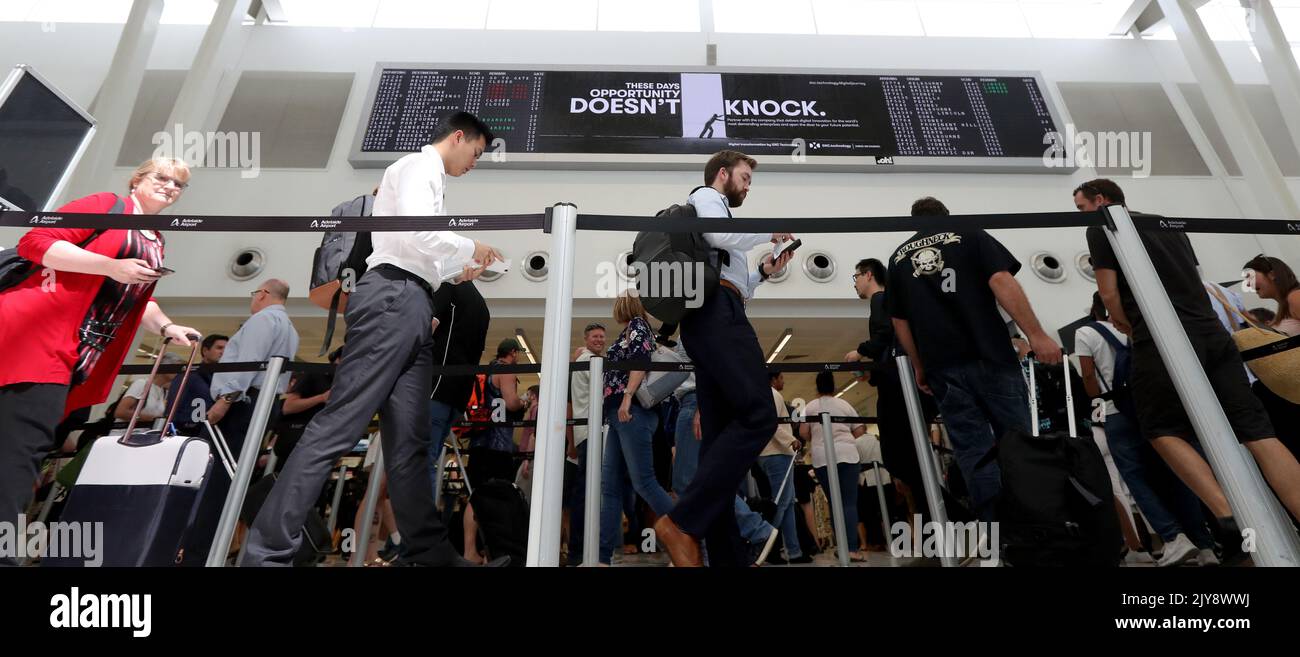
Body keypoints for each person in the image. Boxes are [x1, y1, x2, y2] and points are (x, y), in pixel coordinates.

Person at [242, 112, 505, 568]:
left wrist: (461, 269)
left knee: (409, 441)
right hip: (392, 299)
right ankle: (264, 554)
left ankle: (429, 553)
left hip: (411, 299)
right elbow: (420, 233)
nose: (476, 162)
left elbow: (412, 249)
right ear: (458, 137)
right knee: (338, 426)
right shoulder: (419, 167)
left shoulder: (424, 177)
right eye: (477, 153)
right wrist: (470, 245)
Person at [1078, 178, 1300, 552]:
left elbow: (1109, 292)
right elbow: (1194, 279)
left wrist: (1130, 327)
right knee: (1258, 431)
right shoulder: (1165, 223)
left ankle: (1229, 512)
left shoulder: (1103, 226)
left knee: (1160, 427)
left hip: (1163, 337)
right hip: (1211, 332)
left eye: (1082, 207)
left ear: (1100, 200)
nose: (1080, 214)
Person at [0, 158, 199, 564]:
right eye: (161, 177)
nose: (169, 187)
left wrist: (165, 327)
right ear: (138, 178)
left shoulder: (155, 238)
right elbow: (36, 243)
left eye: (178, 184)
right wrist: (111, 266)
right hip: (37, 339)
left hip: (74, 355)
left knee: (20, 447)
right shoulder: (108, 205)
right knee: (23, 451)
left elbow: (138, 296)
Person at [654, 150, 794, 568]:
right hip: (717, 318)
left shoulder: (724, 225)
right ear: (722, 174)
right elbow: (717, 235)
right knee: (759, 415)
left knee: (717, 443)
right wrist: (769, 230)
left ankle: (727, 556)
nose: (748, 186)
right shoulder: (707, 198)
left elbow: (735, 282)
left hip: (714, 312)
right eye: (745, 177)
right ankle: (680, 522)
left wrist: (764, 272)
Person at [887, 196, 1061, 522]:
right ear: (946, 215)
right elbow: (1000, 280)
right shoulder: (969, 233)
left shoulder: (898, 258)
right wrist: (1035, 334)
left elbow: (900, 322)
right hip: (990, 355)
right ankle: (1037, 526)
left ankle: (996, 532)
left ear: (914, 222)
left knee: (972, 450)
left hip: (943, 368)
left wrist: (920, 366)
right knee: (1018, 441)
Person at [1075, 293, 1215, 567]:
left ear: (1093, 309)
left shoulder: (1085, 332)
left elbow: (1088, 376)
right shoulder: (1132, 326)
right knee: (1175, 474)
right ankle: (1205, 544)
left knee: (1136, 479)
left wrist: (1097, 403)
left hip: (1116, 411)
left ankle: (1174, 537)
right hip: (1151, 406)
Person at [181, 279, 298, 565]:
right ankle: (210, 550)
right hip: (263, 404)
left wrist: (224, 401)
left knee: (215, 482)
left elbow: (247, 362)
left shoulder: (262, 320)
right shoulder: (290, 328)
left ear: (263, 294)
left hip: (241, 405)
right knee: (230, 481)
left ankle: (196, 554)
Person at [844, 256, 937, 525]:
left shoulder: (880, 300)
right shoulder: (889, 301)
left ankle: (946, 517)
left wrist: (860, 352)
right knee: (907, 460)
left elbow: (884, 333)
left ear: (869, 274)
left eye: (856, 277)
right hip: (899, 385)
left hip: (899, 391)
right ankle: (937, 520)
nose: (856, 283)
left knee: (899, 457)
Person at [599, 293, 677, 566]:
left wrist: (628, 397)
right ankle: (602, 556)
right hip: (619, 414)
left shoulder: (637, 326)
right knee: (610, 487)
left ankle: (691, 532)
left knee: (644, 482)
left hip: (631, 412)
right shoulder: (631, 329)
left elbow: (641, 359)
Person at [463, 339, 526, 563]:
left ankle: (470, 549)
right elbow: (510, 403)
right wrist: (523, 402)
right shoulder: (507, 370)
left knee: (476, 495)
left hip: (479, 441)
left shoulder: (487, 370)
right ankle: (495, 551)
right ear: (513, 352)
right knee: (499, 496)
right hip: (498, 444)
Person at [427, 280, 490, 500]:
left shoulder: (447, 287)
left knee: (419, 462)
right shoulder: (481, 304)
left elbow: (428, 326)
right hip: (457, 395)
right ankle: (410, 530)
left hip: (434, 388)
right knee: (427, 458)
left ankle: (418, 530)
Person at [799, 371, 869, 562]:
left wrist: (818, 436)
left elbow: (804, 432)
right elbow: (861, 429)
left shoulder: (810, 407)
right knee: (848, 503)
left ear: (817, 387)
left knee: (834, 502)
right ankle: (853, 549)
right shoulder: (844, 404)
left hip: (823, 458)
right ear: (833, 386)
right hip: (848, 455)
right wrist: (844, 439)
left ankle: (843, 547)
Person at [1239, 255, 1300, 461]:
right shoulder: (1284, 306)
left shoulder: (1295, 298)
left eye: (1251, 276)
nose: (1248, 283)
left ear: (1273, 274)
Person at [758, 370, 810, 564]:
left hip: (771, 454)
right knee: (781, 504)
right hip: (777, 453)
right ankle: (767, 547)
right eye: (781, 377)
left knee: (787, 504)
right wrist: (791, 440)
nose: (783, 381)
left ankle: (794, 551)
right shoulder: (773, 394)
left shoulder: (763, 394)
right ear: (773, 379)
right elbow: (773, 424)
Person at [565, 322, 606, 565]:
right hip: (591, 433)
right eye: (595, 336)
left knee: (584, 493)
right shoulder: (591, 361)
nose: (600, 339)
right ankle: (581, 551)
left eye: (602, 336)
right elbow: (604, 391)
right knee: (587, 494)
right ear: (586, 339)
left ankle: (578, 551)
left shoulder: (582, 359)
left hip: (583, 434)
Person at [166, 333, 228, 435]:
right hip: (186, 433)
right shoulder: (189, 375)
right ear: (205, 351)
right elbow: (173, 406)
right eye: (219, 348)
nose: (223, 352)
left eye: (227, 349)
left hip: (212, 433)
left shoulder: (221, 378)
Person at [116, 353, 183, 424]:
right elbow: (120, 412)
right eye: (176, 368)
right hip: (126, 432)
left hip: (144, 433)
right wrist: (151, 419)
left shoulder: (163, 392)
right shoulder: (142, 384)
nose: (178, 373)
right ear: (164, 367)